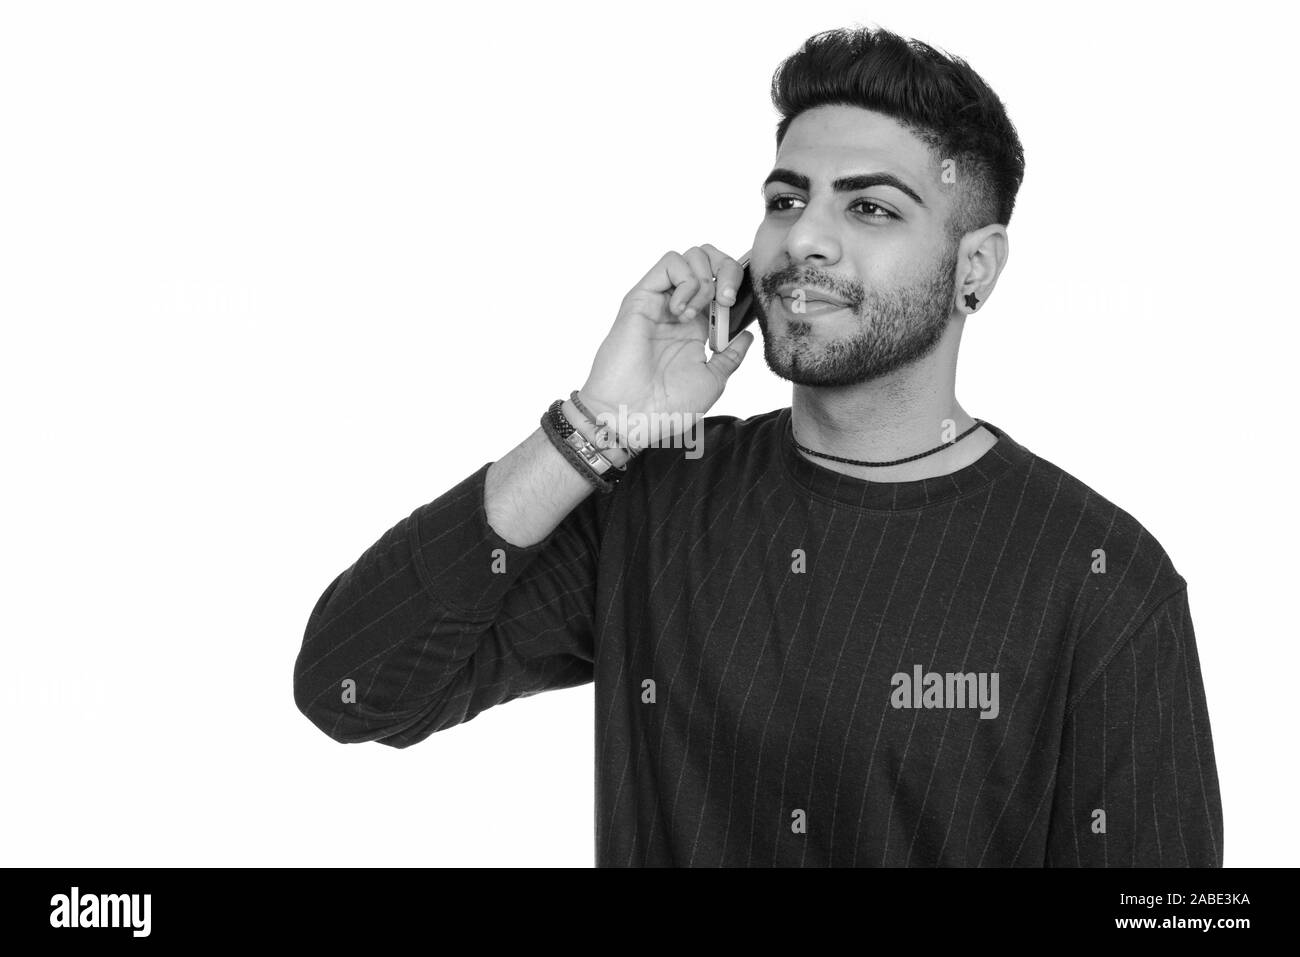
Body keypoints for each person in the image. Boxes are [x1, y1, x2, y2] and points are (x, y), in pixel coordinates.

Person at [293, 25, 1223, 867]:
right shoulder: (654, 502)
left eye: (870, 209)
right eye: (787, 199)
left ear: (973, 268)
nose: (804, 238)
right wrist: (597, 428)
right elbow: (353, 686)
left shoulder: (1101, 579)